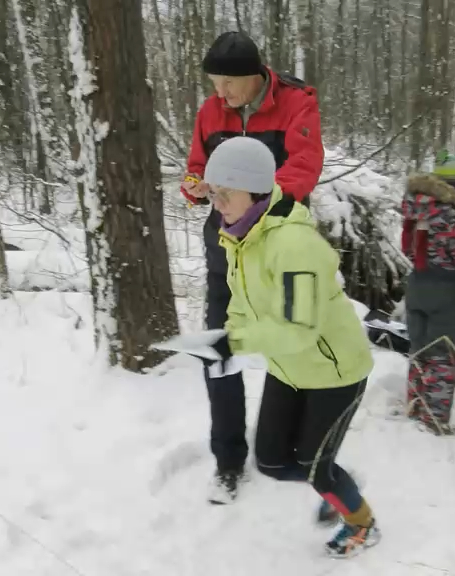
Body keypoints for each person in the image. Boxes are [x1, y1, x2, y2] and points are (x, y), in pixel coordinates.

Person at [201, 136, 380, 557]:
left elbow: (299, 328)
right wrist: (225, 338)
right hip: (288, 368)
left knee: (317, 470)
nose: (218, 204)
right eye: (213, 193)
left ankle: (362, 522)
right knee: (272, 462)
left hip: (335, 371)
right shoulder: (239, 238)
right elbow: (241, 308)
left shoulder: (294, 245)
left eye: (225, 193)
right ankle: (336, 479)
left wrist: (236, 342)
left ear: (257, 190)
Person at [180, 30, 325, 503]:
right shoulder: (210, 112)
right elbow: (195, 166)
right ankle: (227, 460)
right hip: (224, 243)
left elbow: (303, 168)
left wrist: (252, 203)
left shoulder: (295, 103)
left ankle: (305, 446)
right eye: (215, 83)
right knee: (218, 345)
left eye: (228, 84)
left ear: (254, 76)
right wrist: (196, 187)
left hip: (279, 242)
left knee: (297, 338)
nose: (221, 93)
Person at [400, 150, 455, 435]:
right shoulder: (448, 215)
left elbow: (407, 248)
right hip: (443, 292)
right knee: (443, 356)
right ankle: (434, 419)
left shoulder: (412, 208)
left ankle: (415, 407)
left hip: (416, 287)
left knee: (419, 351)